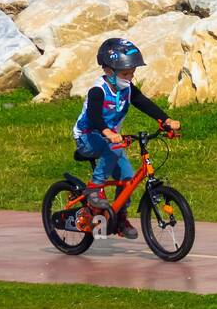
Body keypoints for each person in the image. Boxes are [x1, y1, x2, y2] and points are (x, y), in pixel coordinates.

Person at [72, 38, 181, 239]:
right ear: (108, 71)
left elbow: (144, 103)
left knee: (128, 178)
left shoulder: (127, 89)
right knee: (112, 149)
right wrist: (107, 132)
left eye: (132, 72)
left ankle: (119, 219)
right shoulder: (98, 90)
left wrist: (165, 120)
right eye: (125, 73)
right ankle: (94, 189)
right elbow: (94, 116)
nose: (130, 77)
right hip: (87, 137)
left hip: (110, 140)